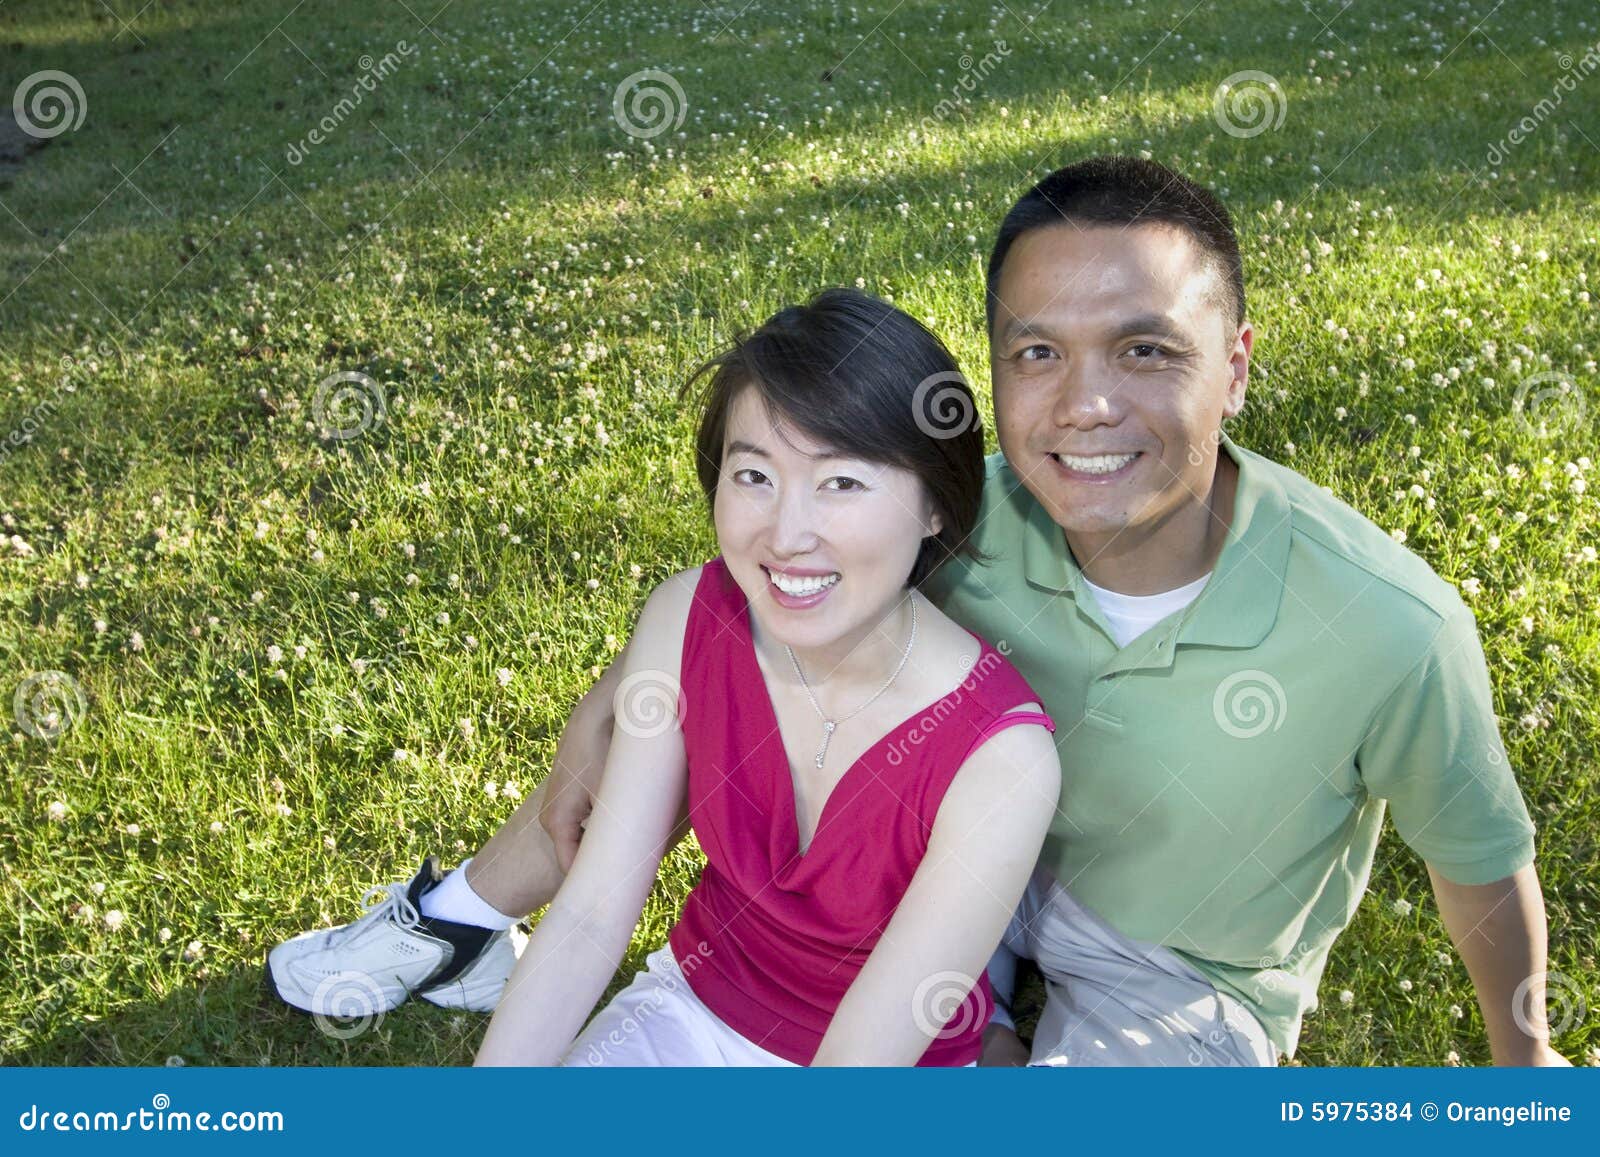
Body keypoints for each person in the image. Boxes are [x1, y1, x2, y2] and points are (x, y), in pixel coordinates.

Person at [270, 155, 1567, 1067]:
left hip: (1169, 964)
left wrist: (1526, 1060)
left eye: (1146, 348)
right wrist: (604, 709)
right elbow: (752, 598)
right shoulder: (963, 511)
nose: (1085, 405)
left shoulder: (1392, 624)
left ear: (1235, 361)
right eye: (1036, 352)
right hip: (927, 875)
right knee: (667, 758)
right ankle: (458, 919)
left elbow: (1479, 867)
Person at [277, 288, 1062, 1066]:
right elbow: (590, 913)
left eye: (843, 482)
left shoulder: (1004, 756)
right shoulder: (688, 615)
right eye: (755, 475)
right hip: (691, 1010)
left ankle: (990, 1041)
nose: (787, 534)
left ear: (935, 506)